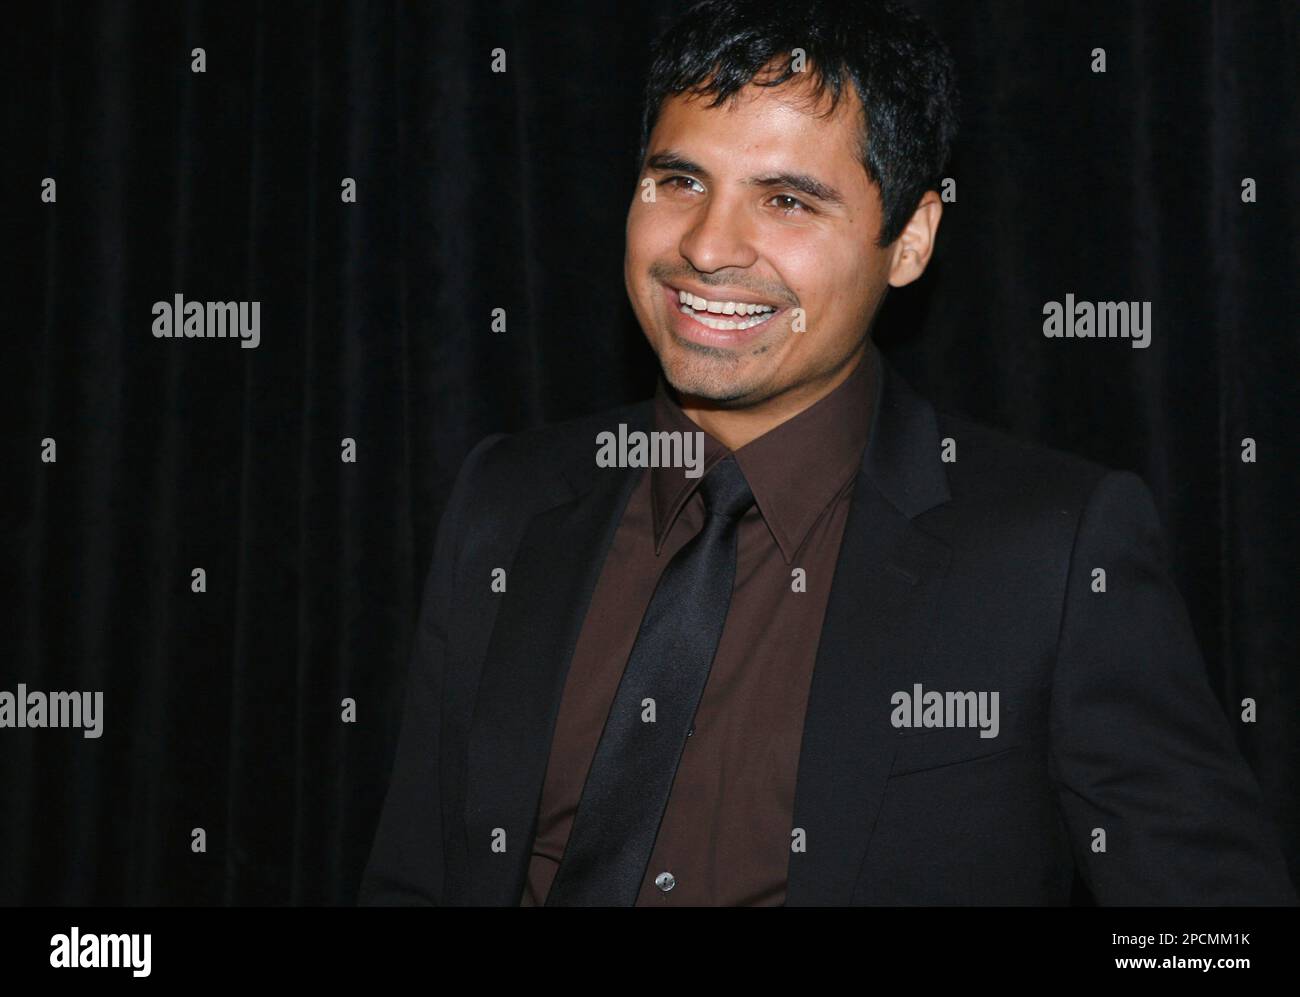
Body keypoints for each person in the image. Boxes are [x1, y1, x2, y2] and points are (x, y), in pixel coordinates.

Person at [359, 0, 1296, 906]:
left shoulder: (1052, 555)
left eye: (787, 200)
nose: (708, 247)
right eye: (680, 180)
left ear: (911, 239)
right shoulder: (508, 499)